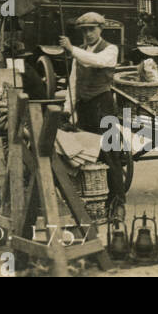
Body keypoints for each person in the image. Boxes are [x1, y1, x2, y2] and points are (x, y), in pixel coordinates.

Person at [57, 12, 125, 218]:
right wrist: (68, 108)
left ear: (100, 29)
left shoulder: (110, 50)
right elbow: (73, 82)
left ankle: (118, 204)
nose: (88, 34)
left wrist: (71, 49)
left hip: (103, 106)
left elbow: (95, 61)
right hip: (86, 107)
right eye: (85, 30)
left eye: (92, 29)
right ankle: (92, 204)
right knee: (86, 155)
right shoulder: (81, 53)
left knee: (110, 154)